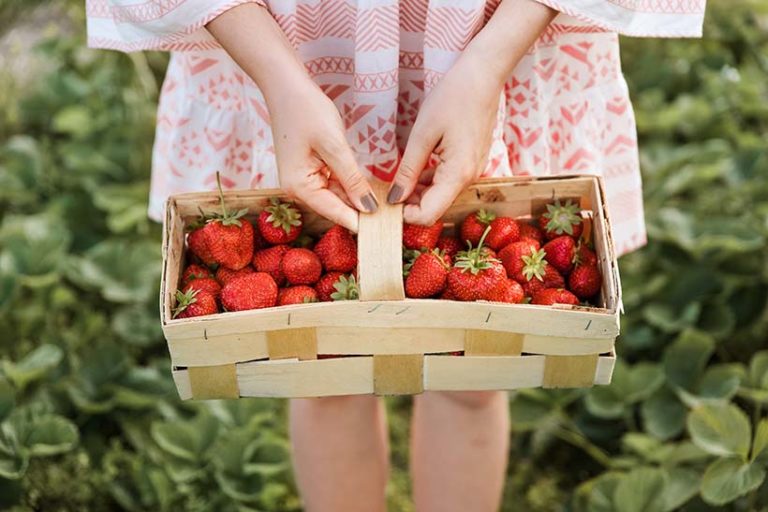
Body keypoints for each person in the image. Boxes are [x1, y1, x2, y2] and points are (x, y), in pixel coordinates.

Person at [87, 1, 706, 510]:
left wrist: (489, 64)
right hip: (280, 45)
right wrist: (276, 75)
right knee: (322, 371)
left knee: (471, 372)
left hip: (497, 36)